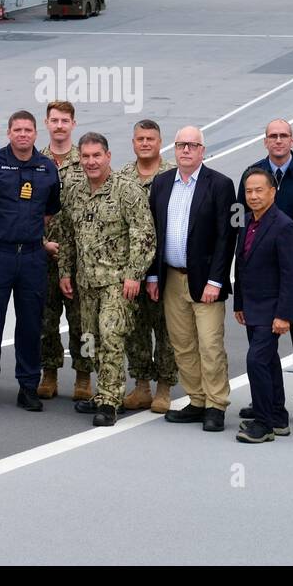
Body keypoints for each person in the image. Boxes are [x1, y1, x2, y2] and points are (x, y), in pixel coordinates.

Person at [0, 110, 62, 410]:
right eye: (17, 129)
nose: (22, 134)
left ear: (35, 134)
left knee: (31, 324)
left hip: (32, 256)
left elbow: (50, 209)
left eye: (28, 130)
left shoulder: (46, 167)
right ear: (8, 133)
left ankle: (28, 386)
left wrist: (27, 231)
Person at [56, 133, 156, 427]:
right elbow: (66, 235)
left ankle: (110, 402)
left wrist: (134, 275)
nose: (91, 162)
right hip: (86, 282)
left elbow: (144, 236)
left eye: (96, 155)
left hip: (117, 282)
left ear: (108, 156)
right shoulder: (74, 192)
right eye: (85, 157)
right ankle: (103, 392)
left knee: (111, 337)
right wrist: (65, 271)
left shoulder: (127, 191)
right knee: (91, 340)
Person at [146, 126, 236, 433]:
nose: (186, 150)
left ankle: (216, 404)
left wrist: (217, 281)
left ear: (202, 150)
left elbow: (227, 237)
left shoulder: (220, 185)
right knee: (182, 345)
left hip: (205, 281)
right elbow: (154, 234)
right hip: (171, 277)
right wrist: (154, 275)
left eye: (192, 145)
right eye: (181, 145)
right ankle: (196, 400)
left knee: (210, 345)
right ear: (174, 149)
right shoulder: (160, 184)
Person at [238, 119, 293, 428]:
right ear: (265, 141)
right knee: (263, 347)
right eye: (272, 136)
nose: (277, 140)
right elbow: (243, 223)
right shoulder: (252, 175)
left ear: (292, 139)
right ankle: (269, 402)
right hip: (262, 278)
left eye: (283, 136)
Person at [233, 168, 293, 444]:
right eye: (249, 191)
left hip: (272, 309)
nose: (253, 196)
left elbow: (291, 274)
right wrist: (239, 302)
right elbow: (241, 263)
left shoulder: (285, 226)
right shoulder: (247, 222)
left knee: (256, 360)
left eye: (259, 190)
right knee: (269, 361)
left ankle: (263, 424)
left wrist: (284, 314)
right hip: (251, 306)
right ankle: (277, 416)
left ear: (273, 192)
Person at [118, 119, 177, 413]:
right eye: (139, 138)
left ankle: (164, 387)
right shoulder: (123, 176)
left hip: (164, 265)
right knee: (135, 329)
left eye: (150, 138)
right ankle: (141, 385)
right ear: (133, 142)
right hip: (130, 268)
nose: (144, 143)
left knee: (165, 329)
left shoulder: (171, 176)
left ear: (159, 141)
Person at [38, 100, 89, 401]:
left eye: (64, 121)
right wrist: (42, 243)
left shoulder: (85, 160)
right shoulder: (36, 160)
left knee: (83, 322)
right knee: (45, 320)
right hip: (41, 254)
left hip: (79, 258)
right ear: (47, 124)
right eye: (54, 120)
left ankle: (83, 374)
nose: (59, 126)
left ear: (73, 124)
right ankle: (49, 373)